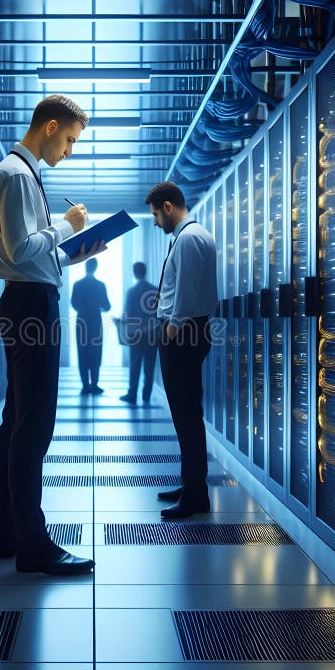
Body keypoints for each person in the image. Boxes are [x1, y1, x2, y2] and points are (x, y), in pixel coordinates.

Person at [0, 94, 104, 575]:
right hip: (31, 306)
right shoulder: (16, 175)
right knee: (34, 426)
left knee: (17, 420)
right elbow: (21, 248)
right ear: (50, 127)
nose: (69, 151)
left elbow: (31, 256)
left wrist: (77, 250)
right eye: (69, 140)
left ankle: (9, 534)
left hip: (27, 298)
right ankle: (33, 544)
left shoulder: (20, 175)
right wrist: (65, 227)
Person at [146, 182, 218, 519]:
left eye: (155, 214)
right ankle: (191, 485)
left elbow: (187, 292)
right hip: (190, 330)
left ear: (168, 206)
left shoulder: (189, 238)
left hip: (184, 333)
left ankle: (194, 495)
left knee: (186, 416)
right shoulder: (190, 235)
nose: (155, 221)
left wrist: (171, 328)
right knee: (186, 414)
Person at [120, 262, 159, 405]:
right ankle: (146, 395)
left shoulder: (131, 292)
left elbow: (127, 314)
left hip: (136, 334)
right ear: (145, 272)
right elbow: (159, 313)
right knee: (149, 365)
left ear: (135, 273)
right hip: (151, 333)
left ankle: (132, 394)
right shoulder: (155, 291)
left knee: (135, 364)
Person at [71, 257, 110, 394]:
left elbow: (74, 303)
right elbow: (107, 306)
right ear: (95, 268)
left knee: (82, 353)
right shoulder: (100, 285)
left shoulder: (77, 284)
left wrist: (83, 308)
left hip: (81, 322)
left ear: (86, 267)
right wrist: (99, 308)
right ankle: (94, 385)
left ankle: (85, 386)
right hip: (95, 322)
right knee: (96, 353)